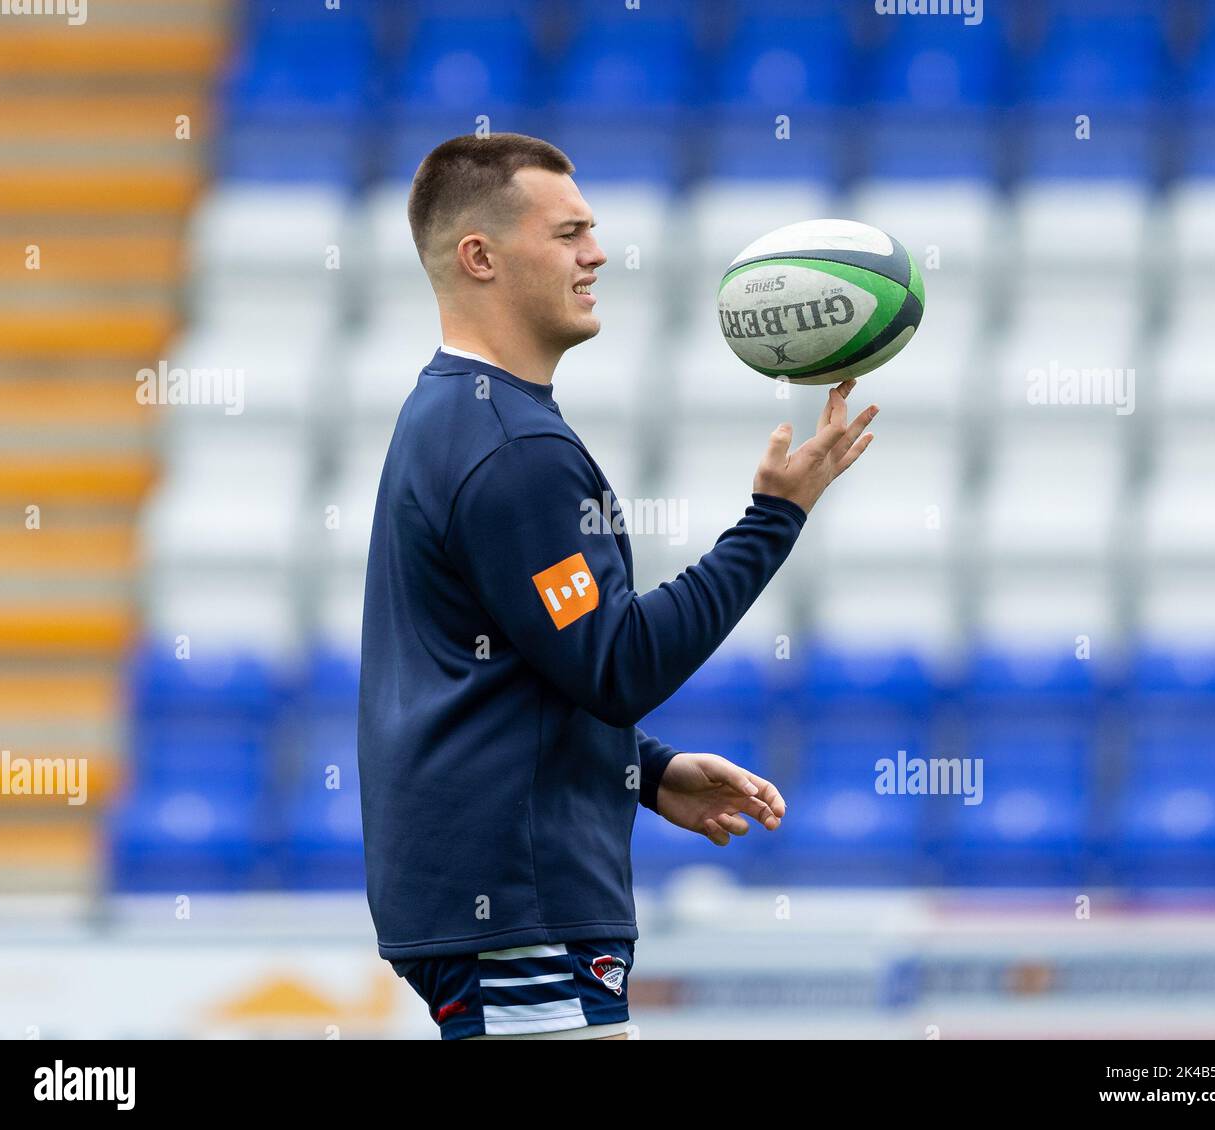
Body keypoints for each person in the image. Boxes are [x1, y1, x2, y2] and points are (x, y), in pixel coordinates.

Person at [357, 132, 878, 1040]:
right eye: (569, 233)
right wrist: (774, 520)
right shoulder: (511, 448)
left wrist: (645, 769)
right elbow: (618, 665)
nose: (597, 254)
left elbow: (520, 668)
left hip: (499, 906)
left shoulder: (457, 417)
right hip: (519, 913)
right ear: (479, 256)